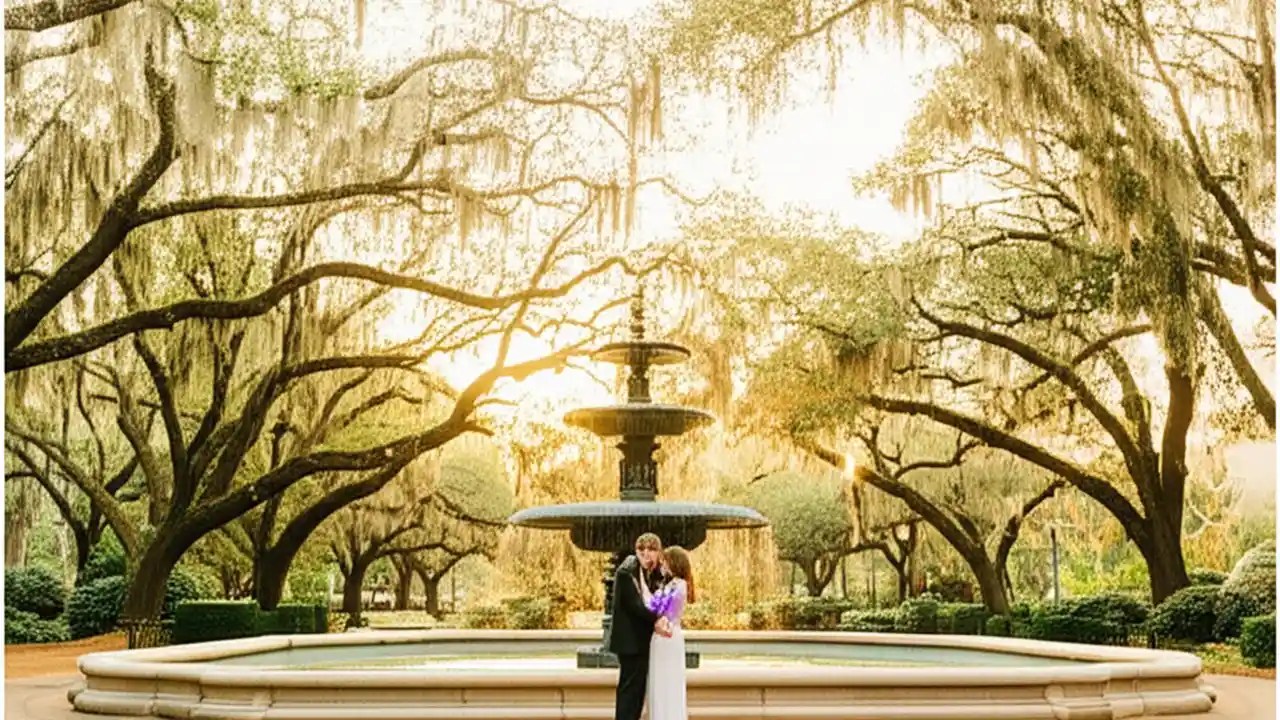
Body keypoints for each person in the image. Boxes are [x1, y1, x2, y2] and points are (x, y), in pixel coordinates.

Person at [605, 532, 671, 720]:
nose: (646, 554)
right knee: (629, 692)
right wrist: (657, 619)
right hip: (629, 643)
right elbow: (635, 605)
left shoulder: (651, 572)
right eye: (641, 549)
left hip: (641, 642)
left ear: (659, 552)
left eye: (651, 549)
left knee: (638, 693)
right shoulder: (627, 571)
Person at [643, 546, 693, 720]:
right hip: (659, 637)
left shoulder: (680, 585)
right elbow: (652, 604)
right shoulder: (668, 584)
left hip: (669, 635)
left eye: (665, 561)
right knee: (659, 681)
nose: (662, 565)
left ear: (674, 563)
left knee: (670, 681)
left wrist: (658, 616)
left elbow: (667, 609)